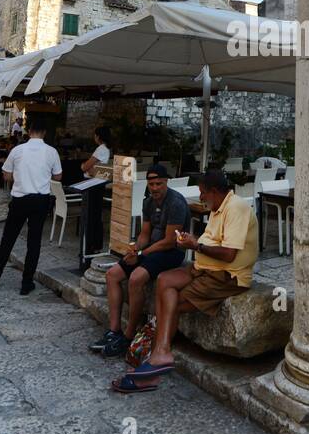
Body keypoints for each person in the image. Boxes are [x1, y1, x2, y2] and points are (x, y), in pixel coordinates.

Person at [110, 168, 257, 392]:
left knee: (171, 304)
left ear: (215, 191)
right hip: (204, 267)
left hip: (226, 276)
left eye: (203, 193)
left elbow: (228, 254)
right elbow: (212, 243)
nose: (201, 198)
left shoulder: (235, 207)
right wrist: (194, 241)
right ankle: (160, 353)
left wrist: (195, 245)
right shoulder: (219, 207)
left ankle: (157, 358)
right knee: (164, 280)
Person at [91, 165, 191, 358]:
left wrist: (143, 253)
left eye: (158, 184)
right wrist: (135, 248)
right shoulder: (148, 203)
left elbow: (170, 241)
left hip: (171, 253)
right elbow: (145, 234)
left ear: (166, 182)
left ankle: (129, 335)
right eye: (151, 184)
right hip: (150, 250)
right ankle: (114, 331)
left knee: (136, 278)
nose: (155, 188)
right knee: (112, 275)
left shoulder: (176, 203)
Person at [0, 118, 62, 295]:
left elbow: (7, 176)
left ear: (29, 131)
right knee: (34, 242)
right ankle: (27, 283)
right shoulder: (52, 152)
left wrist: (20, 176)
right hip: (40, 201)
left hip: (20, 199)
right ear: (44, 133)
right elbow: (58, 177)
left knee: (8, 239)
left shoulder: (17, 150)